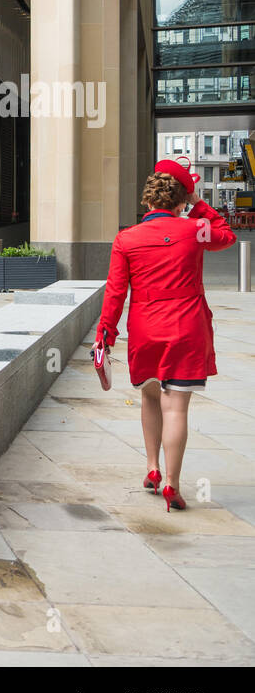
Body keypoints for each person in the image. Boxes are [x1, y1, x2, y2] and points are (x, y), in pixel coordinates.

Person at [97, 160, 236, 513]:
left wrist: (105, 336)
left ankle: (152, 468)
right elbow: (227, 235)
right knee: (177, 407)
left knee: (149, 398)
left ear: (147, 203)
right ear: (180, 202)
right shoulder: (195, 230)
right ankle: (173, 482)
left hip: (146, 328)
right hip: (187, 328)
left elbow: (115, 293)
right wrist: (197, 203)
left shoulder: (126, 238)